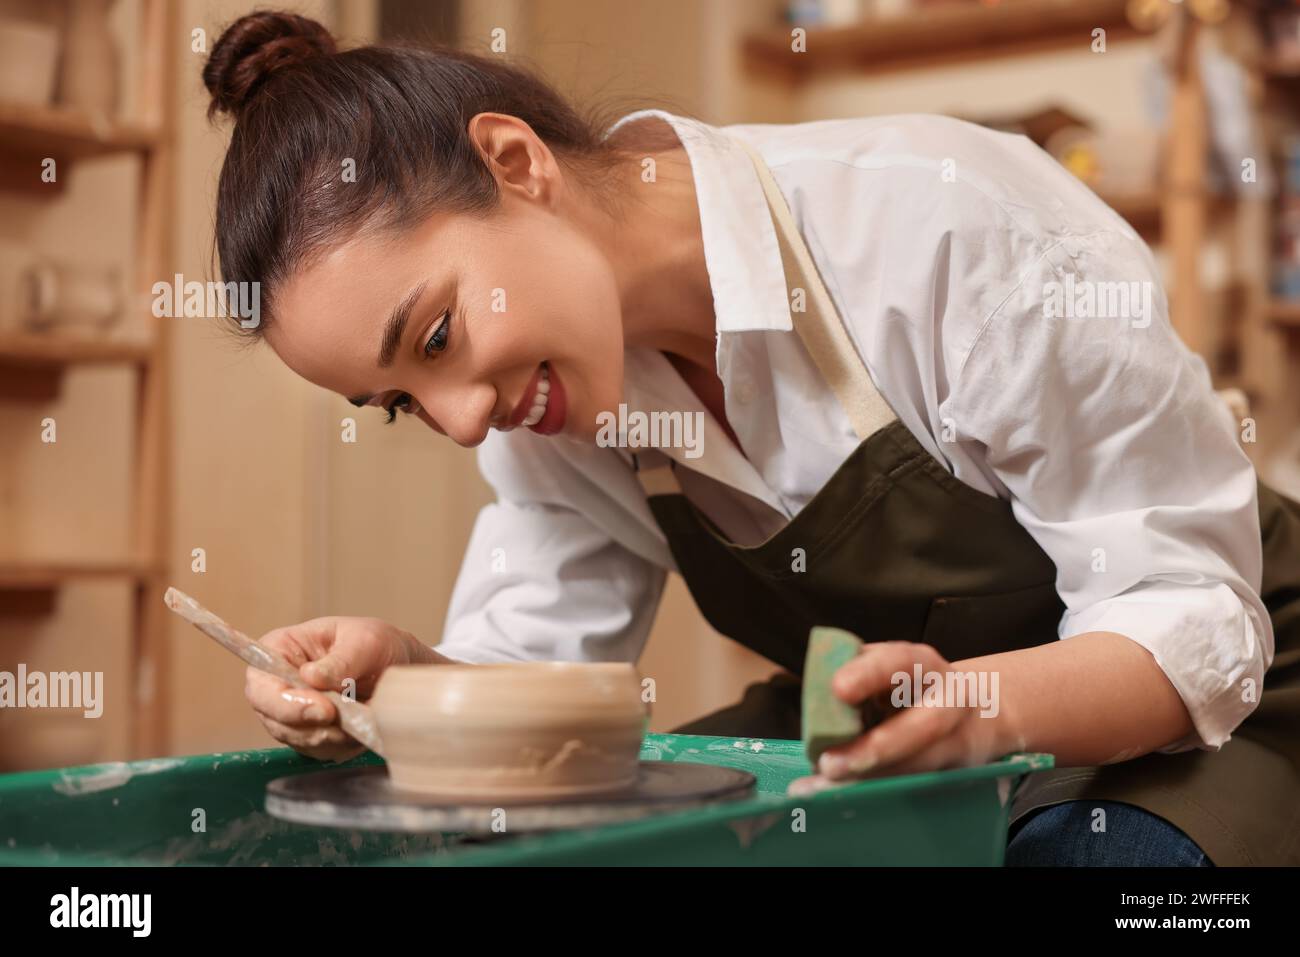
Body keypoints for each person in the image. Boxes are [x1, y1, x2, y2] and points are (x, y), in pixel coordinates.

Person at [204, 11, 1300, 866]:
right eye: (399, 401)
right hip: (893, 726)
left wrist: (975, 710)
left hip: (1223, 698)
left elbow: (1187, 622)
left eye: (437, 337)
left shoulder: (945, 227)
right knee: (632, 843)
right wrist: (399, 682)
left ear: (515, 161)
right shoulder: (538, 405)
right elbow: (533, 693)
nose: (460, 418)